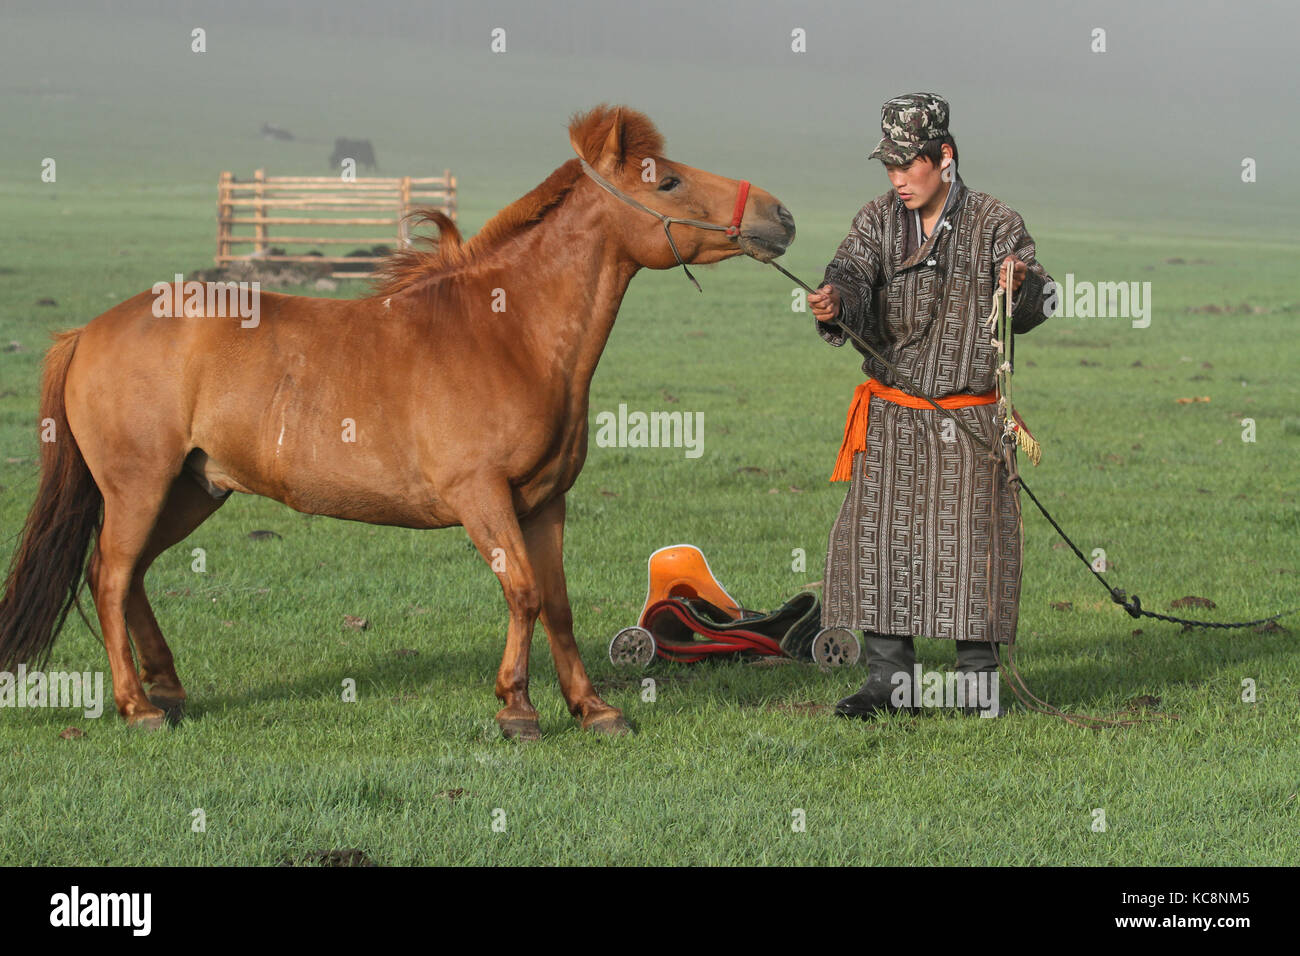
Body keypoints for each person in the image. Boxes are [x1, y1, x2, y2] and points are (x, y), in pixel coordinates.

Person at [808, 93, 1056, 718]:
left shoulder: (996, 222)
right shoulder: (877, 220)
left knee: (972, 546)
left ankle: (977, 684)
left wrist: (1020, 287)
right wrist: (836, 299)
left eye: (907, 164)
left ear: (944, 157)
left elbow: (1044, 300)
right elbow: (850, 272)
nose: (897, 178)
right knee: (878, 540)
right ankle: (888, 686)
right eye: (888, 166)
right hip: (892, 415)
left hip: (969, 417)